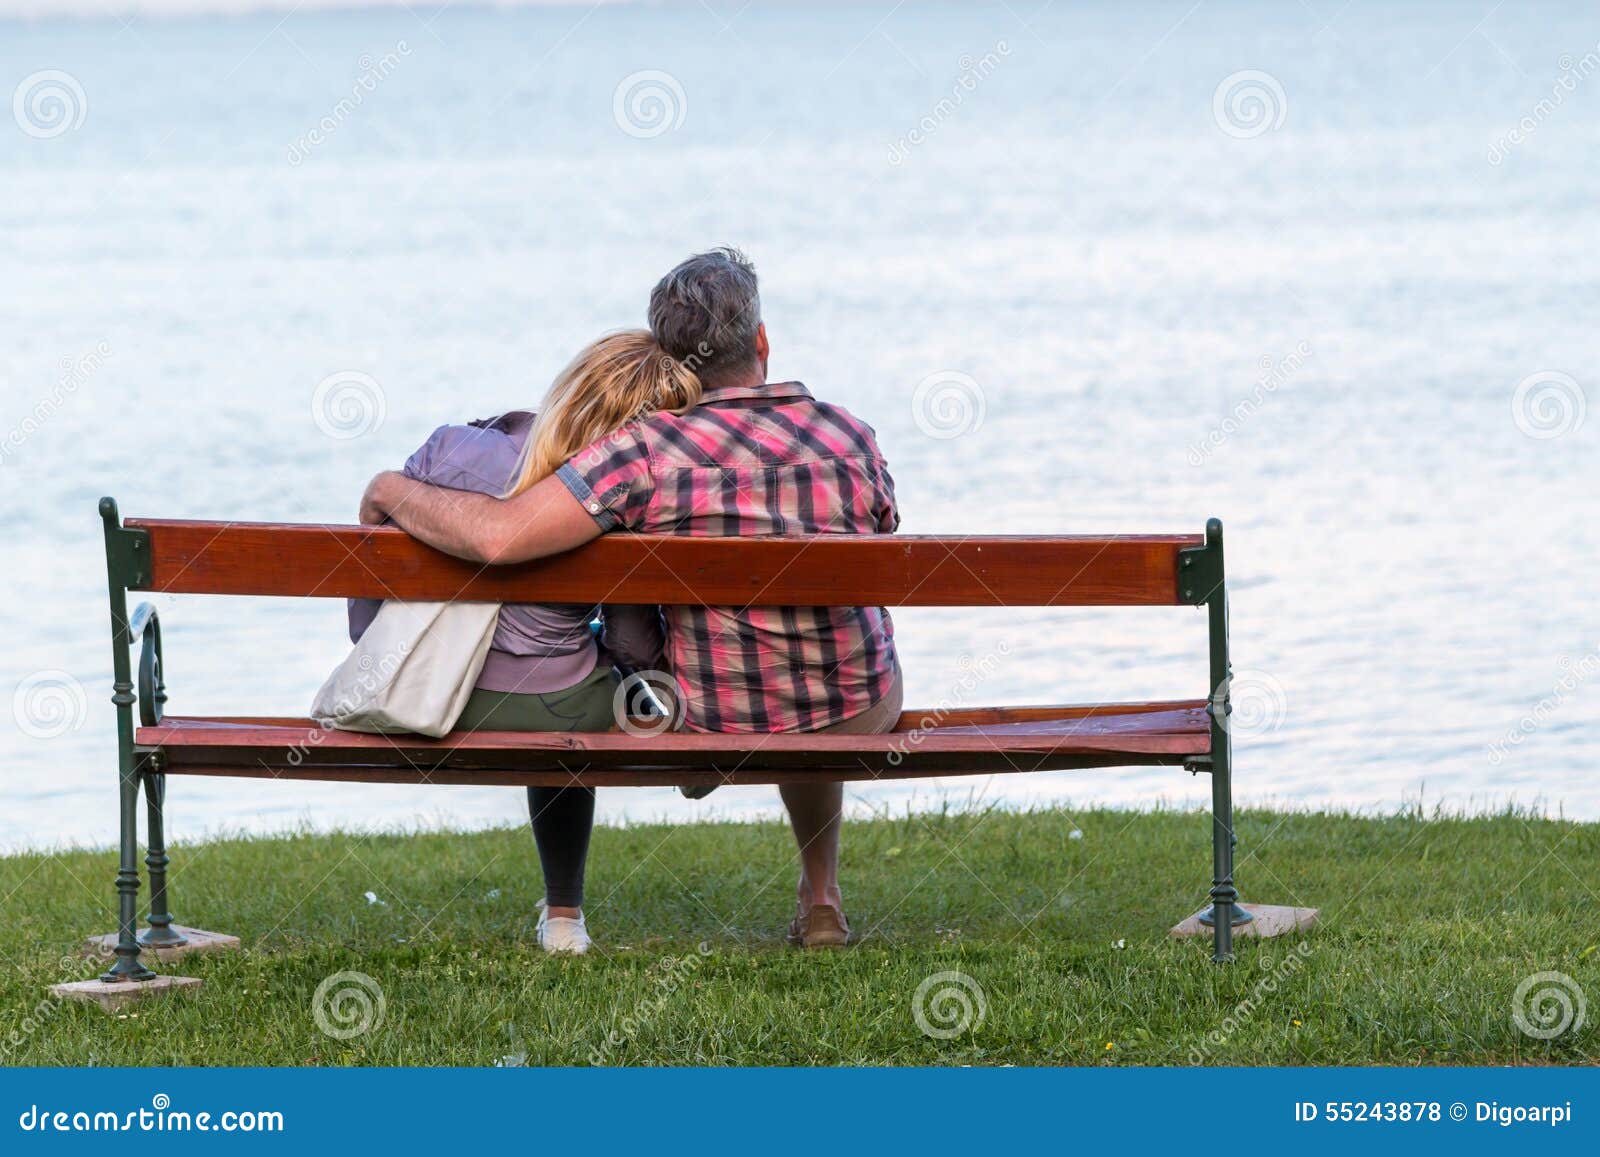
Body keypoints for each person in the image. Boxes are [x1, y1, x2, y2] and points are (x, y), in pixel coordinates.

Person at [361, 247, 902, 949]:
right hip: (855, 710)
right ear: (761, 342)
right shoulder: (851, 434)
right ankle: (822, 896)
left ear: (669, 359)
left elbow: (500, 537)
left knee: (758, 664)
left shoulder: (645, 450)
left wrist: (390, 489)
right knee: (812, 644)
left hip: (719, 722)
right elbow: (885, 533)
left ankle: (574, 907)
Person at [351, 330, 697, 955]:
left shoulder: (449, 449)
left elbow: (372, 590)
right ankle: (564, 916)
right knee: (580, 686)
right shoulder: (627, 488)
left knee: (569, 673)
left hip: (430, 699)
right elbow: (631, 643)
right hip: (558, 708)